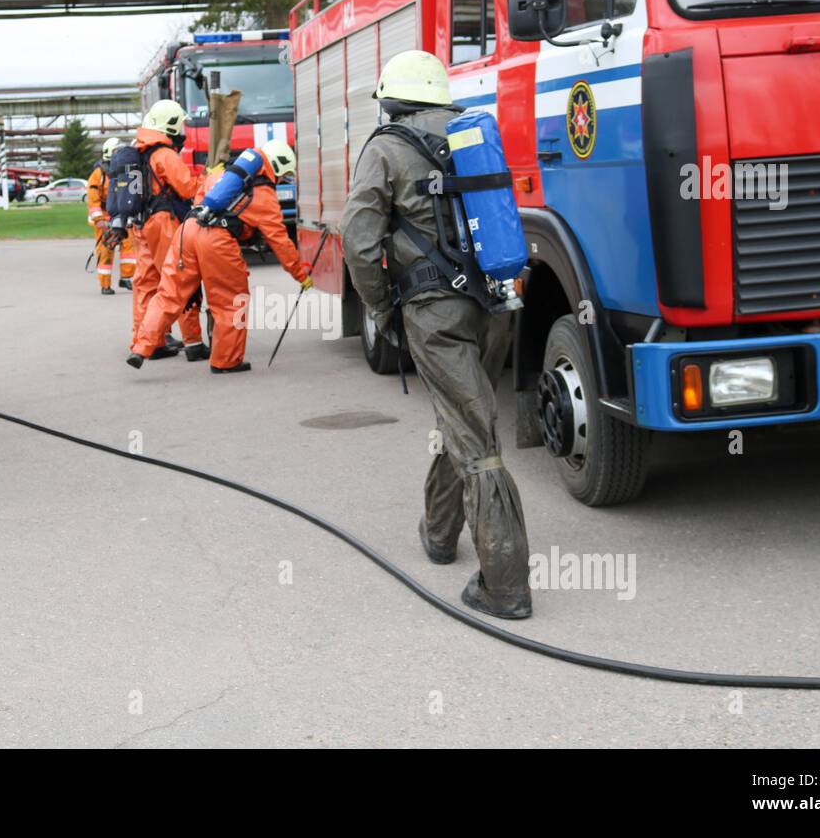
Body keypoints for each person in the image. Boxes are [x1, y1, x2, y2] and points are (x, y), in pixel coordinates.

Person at [339, 50, 532, 620]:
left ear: (391, 100)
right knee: (466, 416)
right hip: (496, 302)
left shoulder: (385, 147)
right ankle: (441, 534)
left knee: (477, 442)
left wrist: (379, 306)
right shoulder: (472, 130)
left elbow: (358, 238)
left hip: (434, 312)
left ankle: (506, 586)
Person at [127, 140, 310, 374]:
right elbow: (280, 242)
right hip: (217, 239)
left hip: (187, 230)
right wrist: (300, 275)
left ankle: (141, 347)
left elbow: (197, 199)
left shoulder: (222, 176)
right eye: (283, 176)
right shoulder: (263, 194)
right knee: (231, 302)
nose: (281, 181)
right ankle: (226, 360)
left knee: (168, 295)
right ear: (277, 165)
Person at [129, 100, 208, 361]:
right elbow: (187, 189)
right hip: (163, 223)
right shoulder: (164, 154)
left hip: (141, 224)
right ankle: (194, 342)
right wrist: (208, 178)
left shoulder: (138, 151)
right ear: (171, 125)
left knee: (146, 284)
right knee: (180, 279)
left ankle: (150, 341)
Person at [87, 137, 135, 295]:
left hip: (122, 216)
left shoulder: (124, 170)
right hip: (105, 219)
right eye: (117, 151)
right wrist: (99, 220)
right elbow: (93, 199)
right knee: (107, 249)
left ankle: (126, 278)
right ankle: (105, 284)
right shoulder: (98, 174)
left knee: (128, 246)